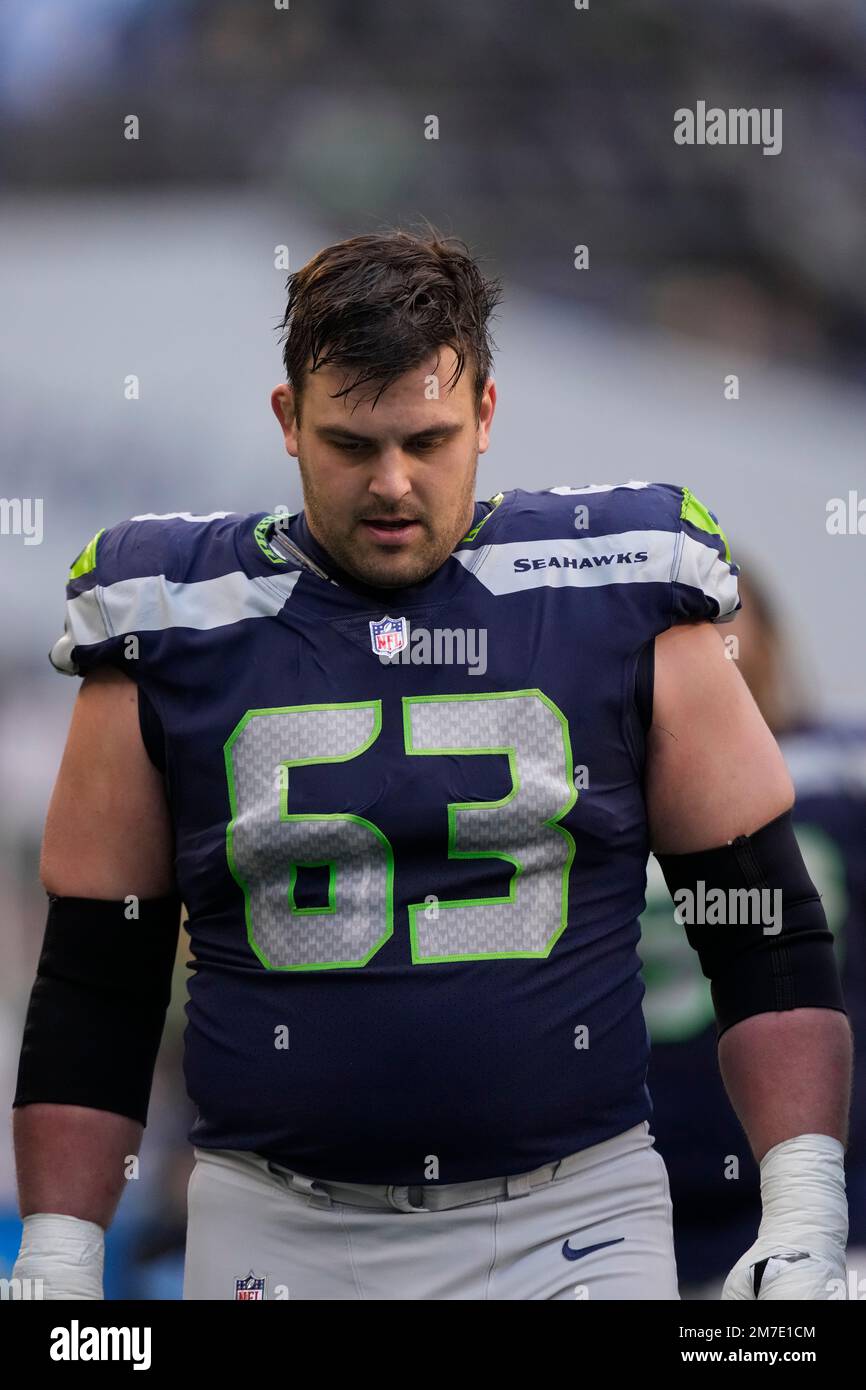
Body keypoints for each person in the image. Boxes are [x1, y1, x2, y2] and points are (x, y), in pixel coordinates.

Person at [12, 228, 850, 1301]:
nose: (393, 483)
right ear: (287, 421)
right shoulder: (164, 614)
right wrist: (61, 1246)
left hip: (569, 1217)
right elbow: (97, 976)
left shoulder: (617, 585)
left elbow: (761, 925)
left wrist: (802, 1208)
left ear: (487, 415)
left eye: (428, 438)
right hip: (277, 1224)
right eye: (351, 446)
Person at [643, 567, 866, 1298]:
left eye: (725, 622)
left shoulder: (841, 772)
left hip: (833, 1188)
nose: (712, 650)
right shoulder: (593, 794)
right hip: (638, 1202)